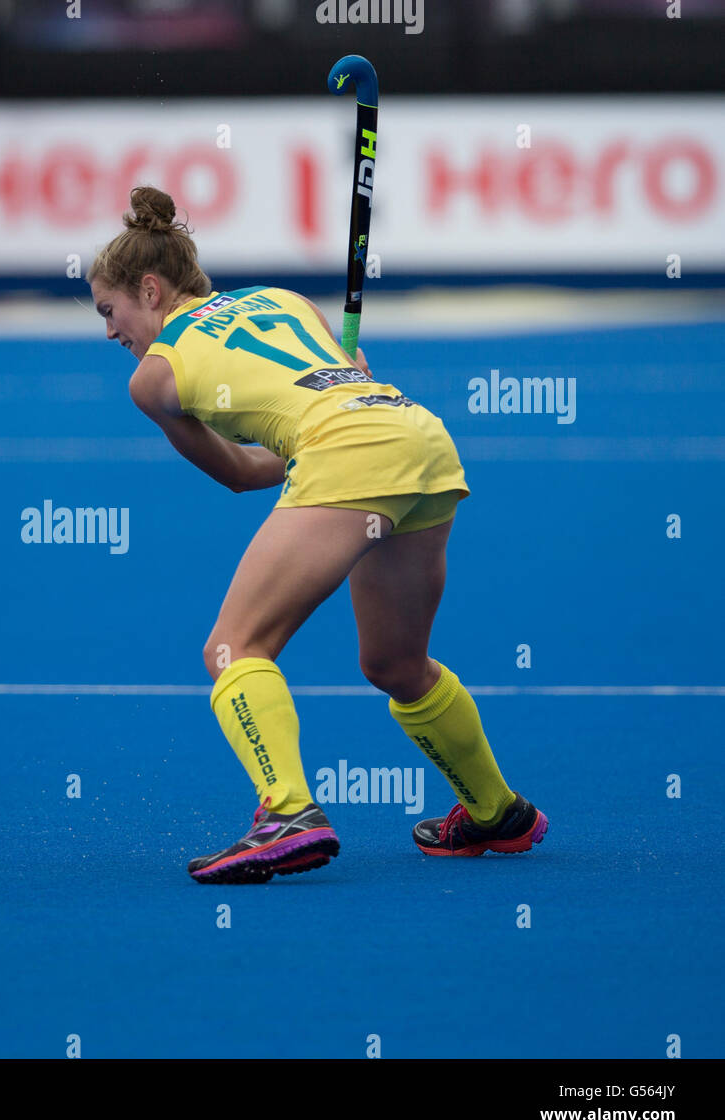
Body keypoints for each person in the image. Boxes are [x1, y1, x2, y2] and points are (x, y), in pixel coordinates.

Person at [88, 186, 548, 883]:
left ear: (149, 289)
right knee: (395, 664)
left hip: (348, 452)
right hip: (416, 434)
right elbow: (333, 388)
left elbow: (244, 475)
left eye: (109, 311)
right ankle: (496, 810)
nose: (109, 331)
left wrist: (321, 436)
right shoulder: (281, 299)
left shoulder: (155, 376)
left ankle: (289, 812)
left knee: (233, 646)